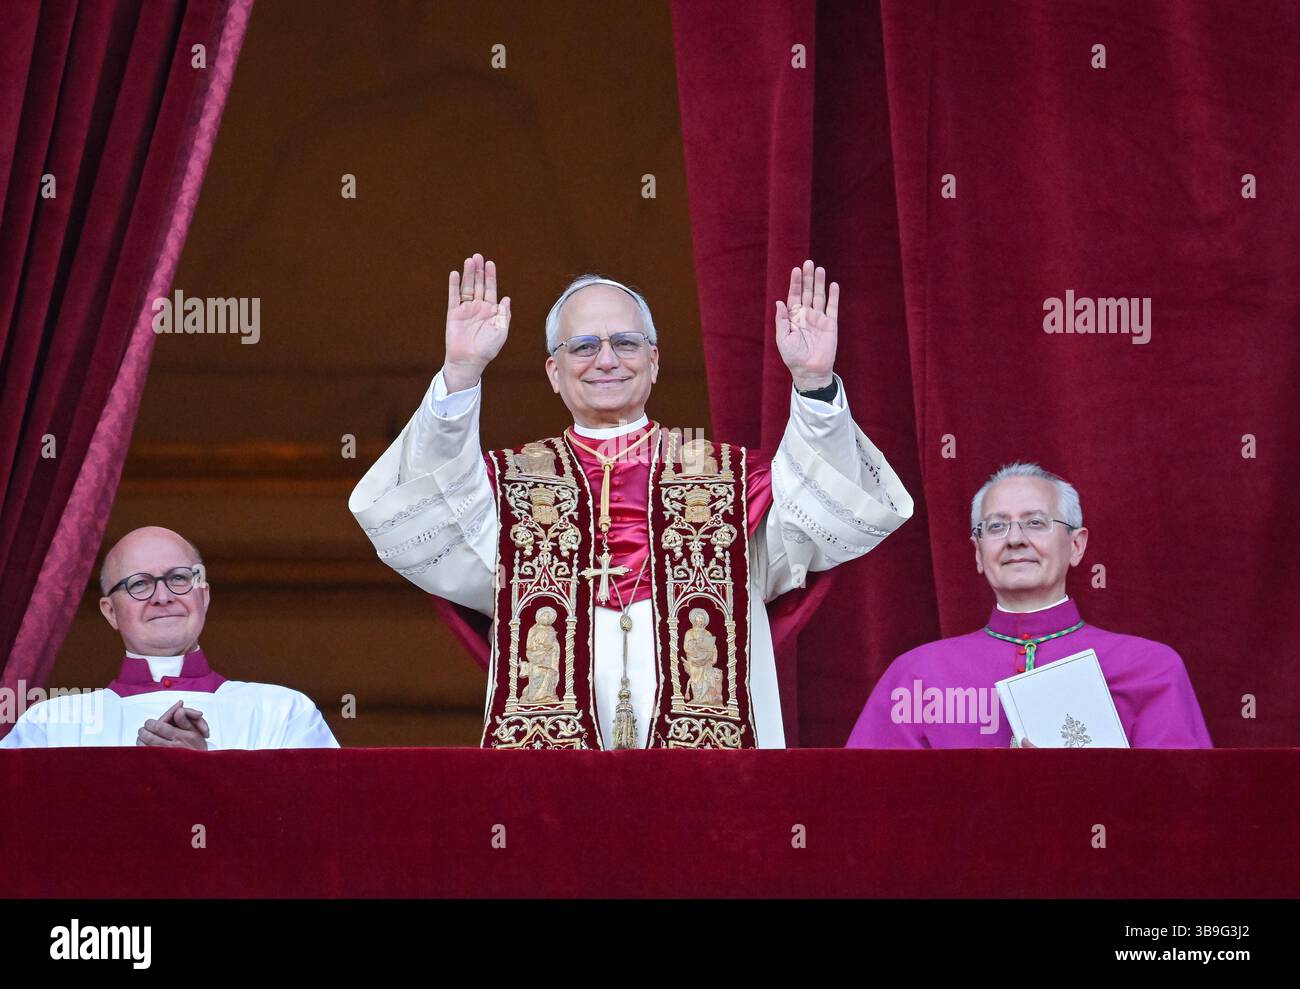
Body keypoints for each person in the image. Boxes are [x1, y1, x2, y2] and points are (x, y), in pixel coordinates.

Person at [349, 253, 913, 749]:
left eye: (625, 342)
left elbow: (822, 517)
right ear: (552, 371)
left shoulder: (732, 479)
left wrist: (814, 385)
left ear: (655, 360)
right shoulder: (505, 484)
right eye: (583, 346)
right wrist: (461, 375)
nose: (607, 360)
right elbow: (422, 521)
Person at [845, 463, 1212, 748]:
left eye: (1035, 523)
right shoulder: (917, 675)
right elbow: (870, 803)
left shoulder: (1150, 668)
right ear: (978, 553)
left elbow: (1184, 811)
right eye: (996, 527)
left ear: (1077, 545)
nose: (1016, 540)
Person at [0, 526, 338, 749]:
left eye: (178, 578)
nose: (162, 596)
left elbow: (320, 830)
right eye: (139, 584)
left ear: (203, 596)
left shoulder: (283, 711)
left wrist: (212, 770)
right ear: (110, 611)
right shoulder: (49, 725)